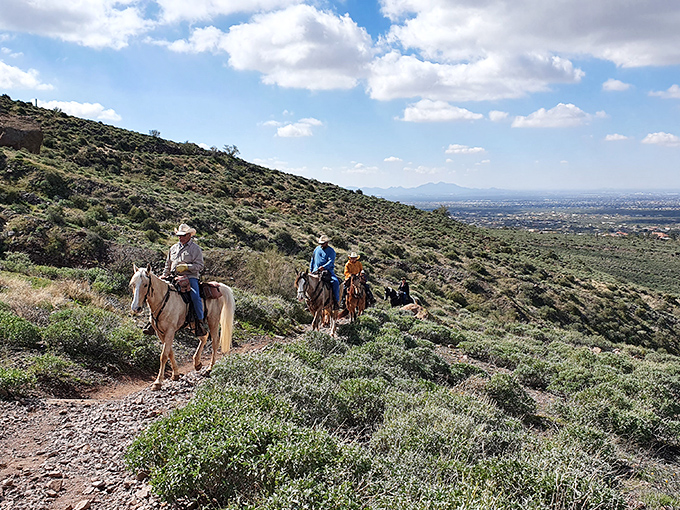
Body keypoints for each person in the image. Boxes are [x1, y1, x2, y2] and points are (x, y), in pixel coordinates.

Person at [162, 223, 208, 333]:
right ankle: (153, 322)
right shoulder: (173, 248)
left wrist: (187, 267)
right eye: (179, 235)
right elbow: (168, 264)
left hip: (190, 277)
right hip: (173, 276)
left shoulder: (195, 249)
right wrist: (164, 275)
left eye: (182, 235)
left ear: (189, 235)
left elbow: (200, 266)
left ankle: (199, 322)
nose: (180, 238)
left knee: (195, 296)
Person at [309, 234, 340, 309]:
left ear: (327, 243)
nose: (321, 245)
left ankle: (336, 302)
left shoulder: (331, 251)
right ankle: (308, 302)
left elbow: (331, 261)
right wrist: (311, 269)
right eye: (321, 243)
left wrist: (324, 267)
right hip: (315, 271)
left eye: (323, 243)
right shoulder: (316, 249)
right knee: (307, 283)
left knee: (335, 282)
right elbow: (312, 260)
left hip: (327, 271)